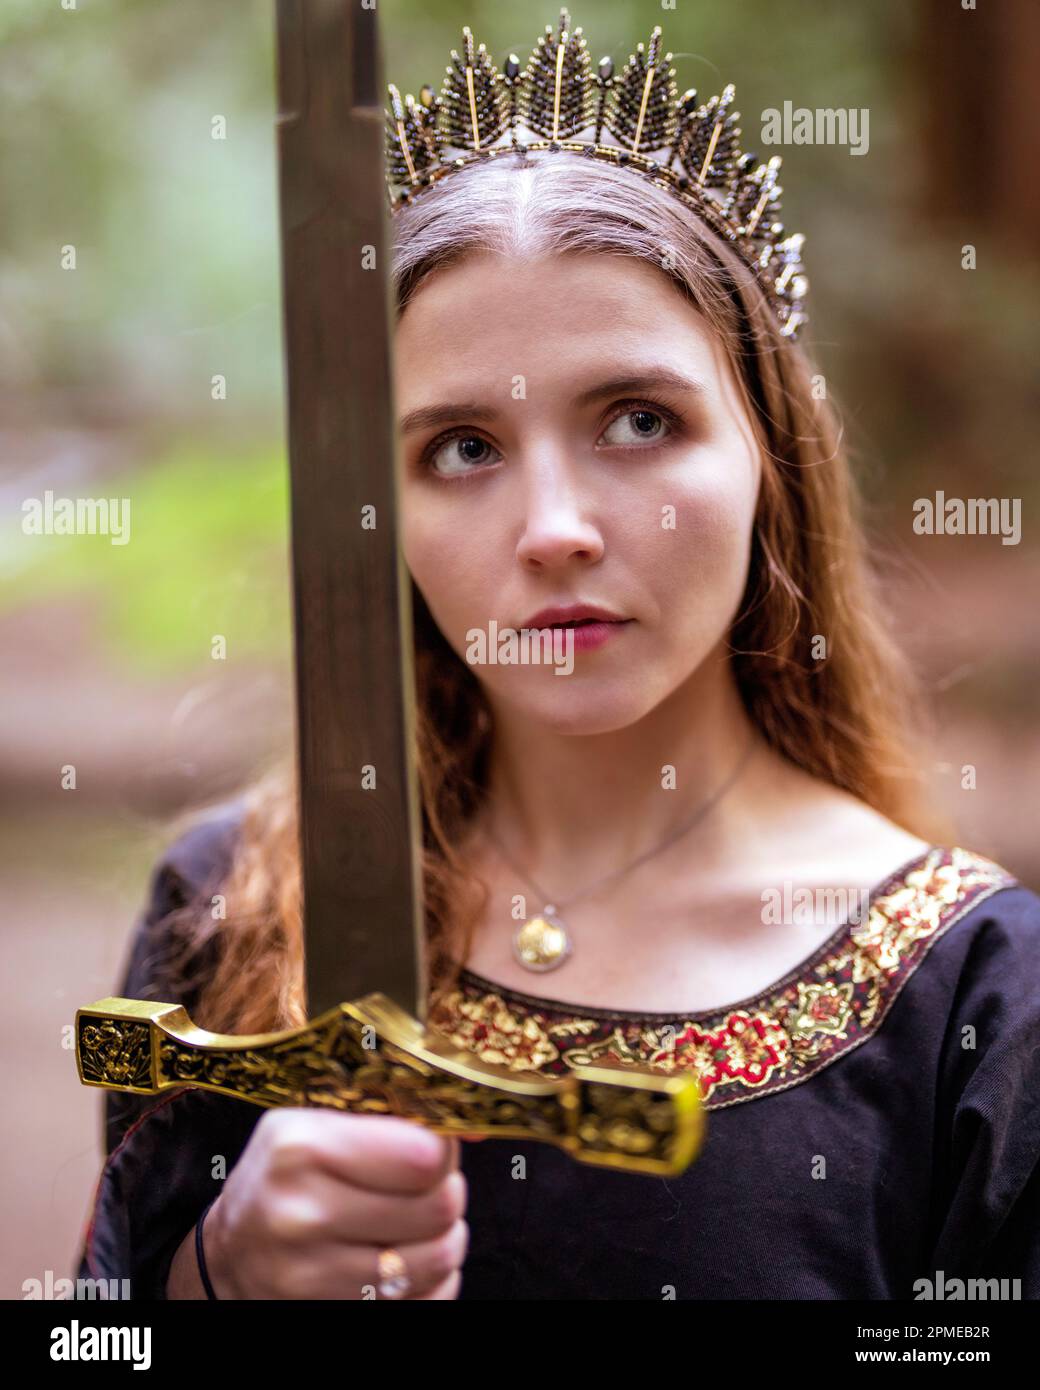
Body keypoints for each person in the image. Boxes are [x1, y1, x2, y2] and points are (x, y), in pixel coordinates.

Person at [76, 11, 1040, 1300]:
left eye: (638, 419)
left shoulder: (982, 1005)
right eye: (461, 448)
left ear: (769, 447)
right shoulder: (234, 908)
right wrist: (213, 1281)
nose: (554, 531)